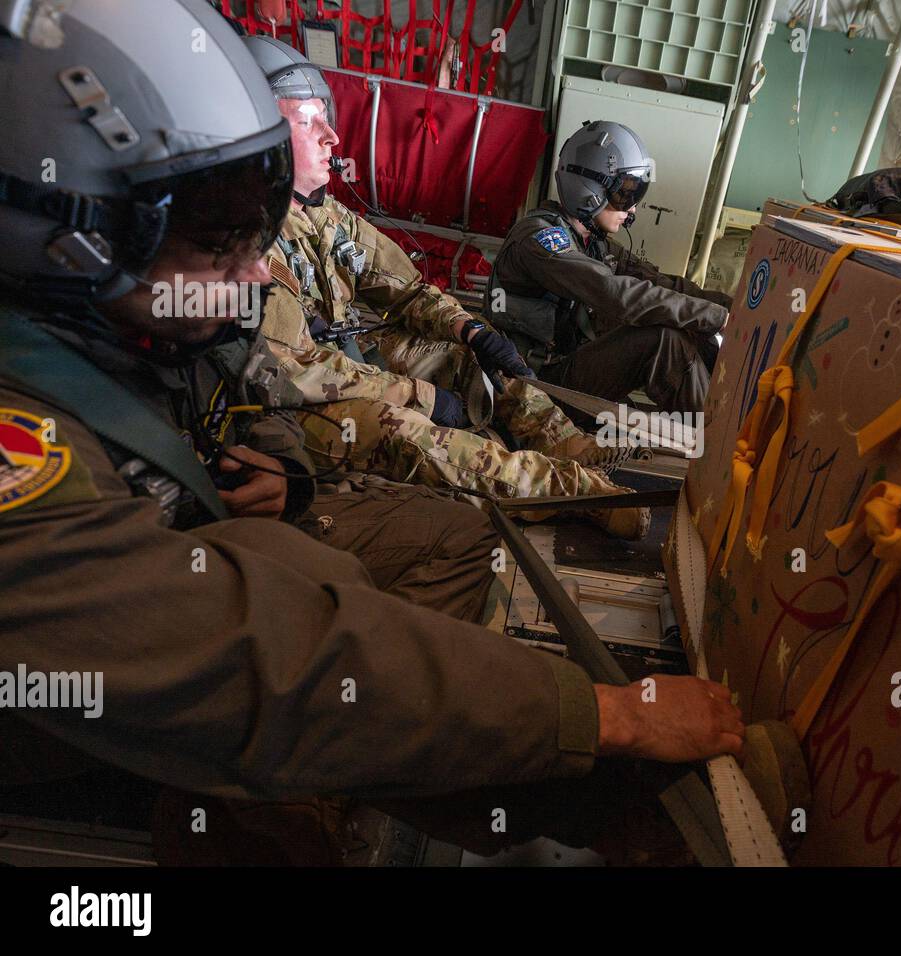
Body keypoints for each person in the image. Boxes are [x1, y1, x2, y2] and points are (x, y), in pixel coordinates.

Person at [0, 0, 742, 858]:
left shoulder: (123, 322)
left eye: (263, 219)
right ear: (73, 239)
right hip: (93, 705)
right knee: (300, 598)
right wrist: (600, 715)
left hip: (212, 540)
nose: (258, 268)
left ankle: (564, 798)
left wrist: (293, 470)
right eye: (219, 233)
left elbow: (245, 391)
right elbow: (248, 659)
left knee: (391, 556)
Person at [241, 36, 647, 538]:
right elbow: (295, 370)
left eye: (326, 117)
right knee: (407, 431)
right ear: (256, 138)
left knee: (467, 362)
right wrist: (419, 396)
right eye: (308, 122)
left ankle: (564, 442)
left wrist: (472, 332)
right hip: (295, 406)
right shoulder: (245, 244)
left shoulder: (324, 216)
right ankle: (567, 490)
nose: (332, 138)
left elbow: (407, 289)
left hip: (352, 354)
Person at [487, 120, 732, 414]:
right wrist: (716, 318)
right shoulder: (539, 239)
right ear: (589, 189)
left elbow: (659, 282)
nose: (632, 208)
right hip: (532, 383)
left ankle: (728, 421)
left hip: (565, 370)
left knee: (687, 325)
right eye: (625, 194)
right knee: (663, 341)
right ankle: (718, 442)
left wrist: (735, 311)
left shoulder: (590, 240)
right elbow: (612, 292)